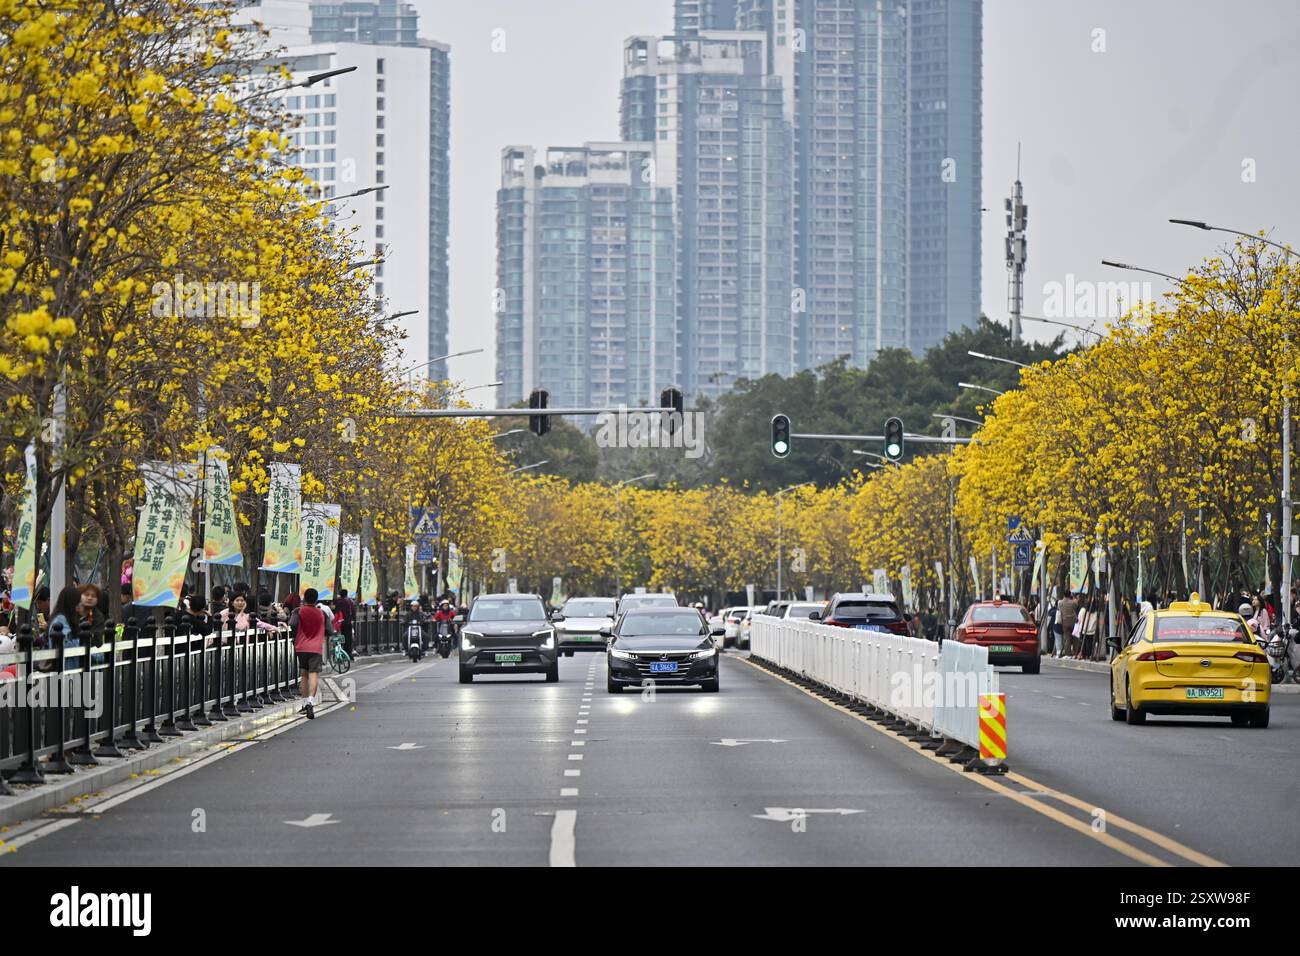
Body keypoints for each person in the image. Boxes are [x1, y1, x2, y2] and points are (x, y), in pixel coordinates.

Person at [290, 588, 334, 719]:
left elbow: (292, 624)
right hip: (315, 648)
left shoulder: (298, 611)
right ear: (316, 599)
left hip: (301, 646)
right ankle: (310, 701)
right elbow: (330, 630)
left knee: (303, 674)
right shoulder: (322, 613)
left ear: (304, 598)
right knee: (313, 674)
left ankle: (304, 703)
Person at [334, 588, 356, 659]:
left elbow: (335, 611)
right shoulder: (350, 601)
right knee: (348, 639)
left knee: (339, 638)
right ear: (346, 594)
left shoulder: (337, 601)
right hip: (348, 622)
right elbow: (353, 612)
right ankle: (348, 654)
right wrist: (353, 618)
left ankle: (339, 653)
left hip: (339, 623)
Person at [1055, 592, 1079, 658]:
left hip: (1065, 622)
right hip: (1073, 622)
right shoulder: (1073, 602)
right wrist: (1073, 597)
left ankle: (1068, 653)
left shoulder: (1060, 602)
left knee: (1067, 638)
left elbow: (1059, 608)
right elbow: (1076, 604)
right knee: (1075, 637)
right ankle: (1075, 652)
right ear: (1070, 595)